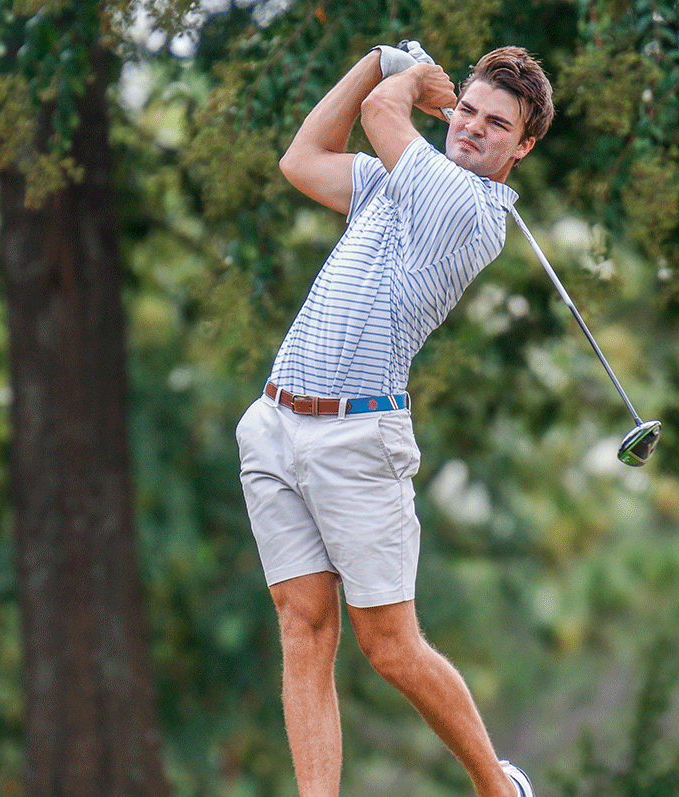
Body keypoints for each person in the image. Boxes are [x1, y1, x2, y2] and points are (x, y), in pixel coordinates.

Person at [235, 41, 554, 797]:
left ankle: (497, 787)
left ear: (523, 147)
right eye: (468, 110)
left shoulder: (468, 208)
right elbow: (301, 160)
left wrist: (403, 79)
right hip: (277, 423)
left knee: (388, 644)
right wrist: (375, 59)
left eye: (497, 124)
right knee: (303, 627)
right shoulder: (393, 182)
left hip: (358, 440)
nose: (473, 128)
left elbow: (382, 112)